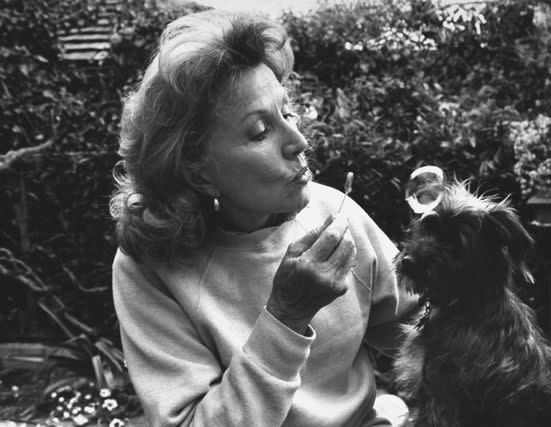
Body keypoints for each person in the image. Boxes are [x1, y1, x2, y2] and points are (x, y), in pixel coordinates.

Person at [109, 9, 418, 427]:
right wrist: (287, 315)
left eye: (288, 114)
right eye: (259, 132)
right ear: (199, 170)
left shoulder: (332, 213)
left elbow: (417, 333)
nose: (300, 141)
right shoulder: (149, 267)